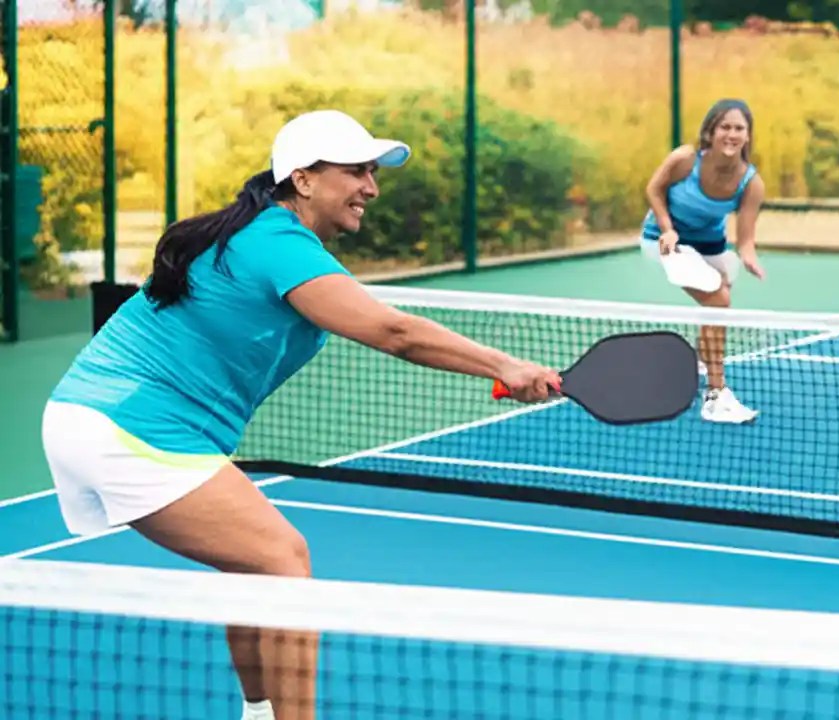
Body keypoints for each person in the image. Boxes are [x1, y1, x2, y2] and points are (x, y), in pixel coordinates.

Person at [40, 109, 561, 720]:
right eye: (356, 171)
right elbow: (394, 332)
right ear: (303, 179)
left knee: (251, 568)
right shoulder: (277, 242)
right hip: (133, 428)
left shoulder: (254, 234)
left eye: (373, 172)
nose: (371, 187)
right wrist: (505, 365)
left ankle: (258, 713)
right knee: (284, 559)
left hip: (95, 416)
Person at [639, 98, 766, 424]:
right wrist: (667, 229)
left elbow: (746, 237)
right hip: (664, 241)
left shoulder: (751, 183)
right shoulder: (685, 159)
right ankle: (715, 395)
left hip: (710, 245)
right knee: (718, 300)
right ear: (710, 132)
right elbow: (653, 189)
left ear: (748, 136)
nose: (732, 134)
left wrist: (748, 255)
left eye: (739, 128)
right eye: (725, 127)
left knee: (720, 294)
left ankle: (698, 362)